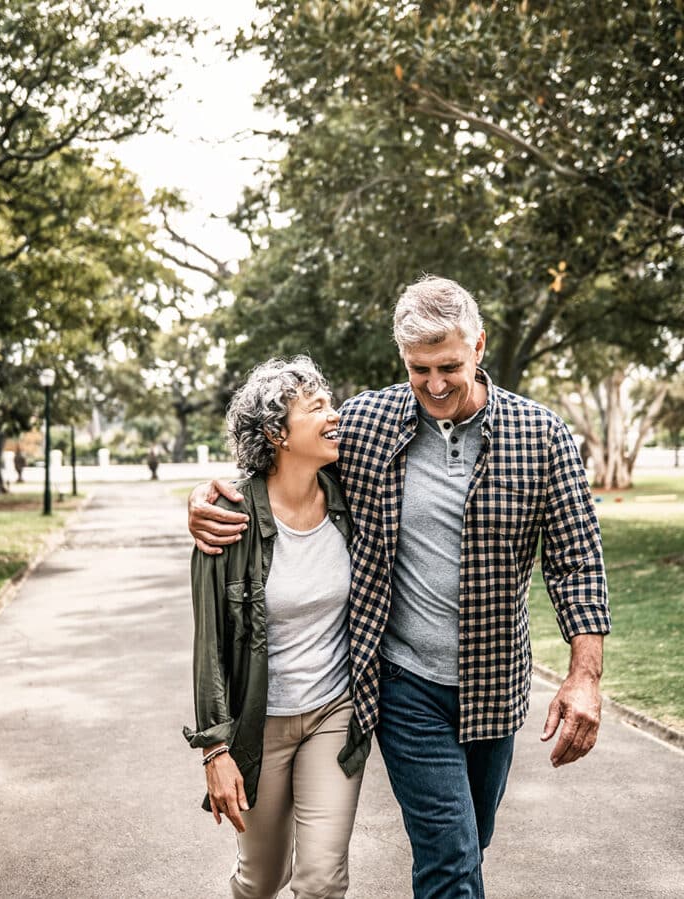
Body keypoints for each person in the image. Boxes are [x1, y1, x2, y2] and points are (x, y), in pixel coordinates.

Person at [188, 275, 611, 899]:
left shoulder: (541, 436)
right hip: (404, 683)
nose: (435, 385)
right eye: (419, 370)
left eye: (449, 366)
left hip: (495, 684)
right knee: (449, 852)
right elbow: (279, 460)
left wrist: (584, 676)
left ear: (479, 347)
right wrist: (205, 498)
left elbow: (577, 562)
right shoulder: (366, 423)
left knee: (471, 841)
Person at [183, 356, 370, 899]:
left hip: (335, 714)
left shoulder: (351, 498)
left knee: (321, 881)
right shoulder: (228, 518)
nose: (335, 416)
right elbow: (209, 646)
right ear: (276, 433)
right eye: (316, 408)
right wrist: (214, 752)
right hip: (257, 725)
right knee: (262, 879)